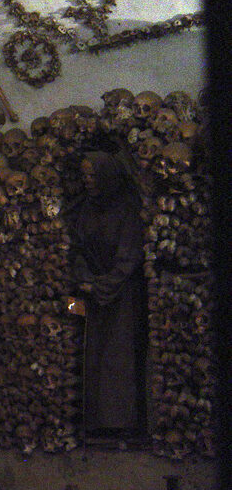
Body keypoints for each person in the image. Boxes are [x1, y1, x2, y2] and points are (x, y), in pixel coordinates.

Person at [68, 150, 147, 434]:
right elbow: (76, 248)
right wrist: (84, 279)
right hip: (94, 294)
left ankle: (119, 422)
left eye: (93, 175)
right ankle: (95, 422)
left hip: (121, 296)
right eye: (84, 175)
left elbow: (129, 256)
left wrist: (102, 285)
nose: (88, 181)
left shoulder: (127, 210)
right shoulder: (86, 209)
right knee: (94, 357)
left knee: (117, 358)